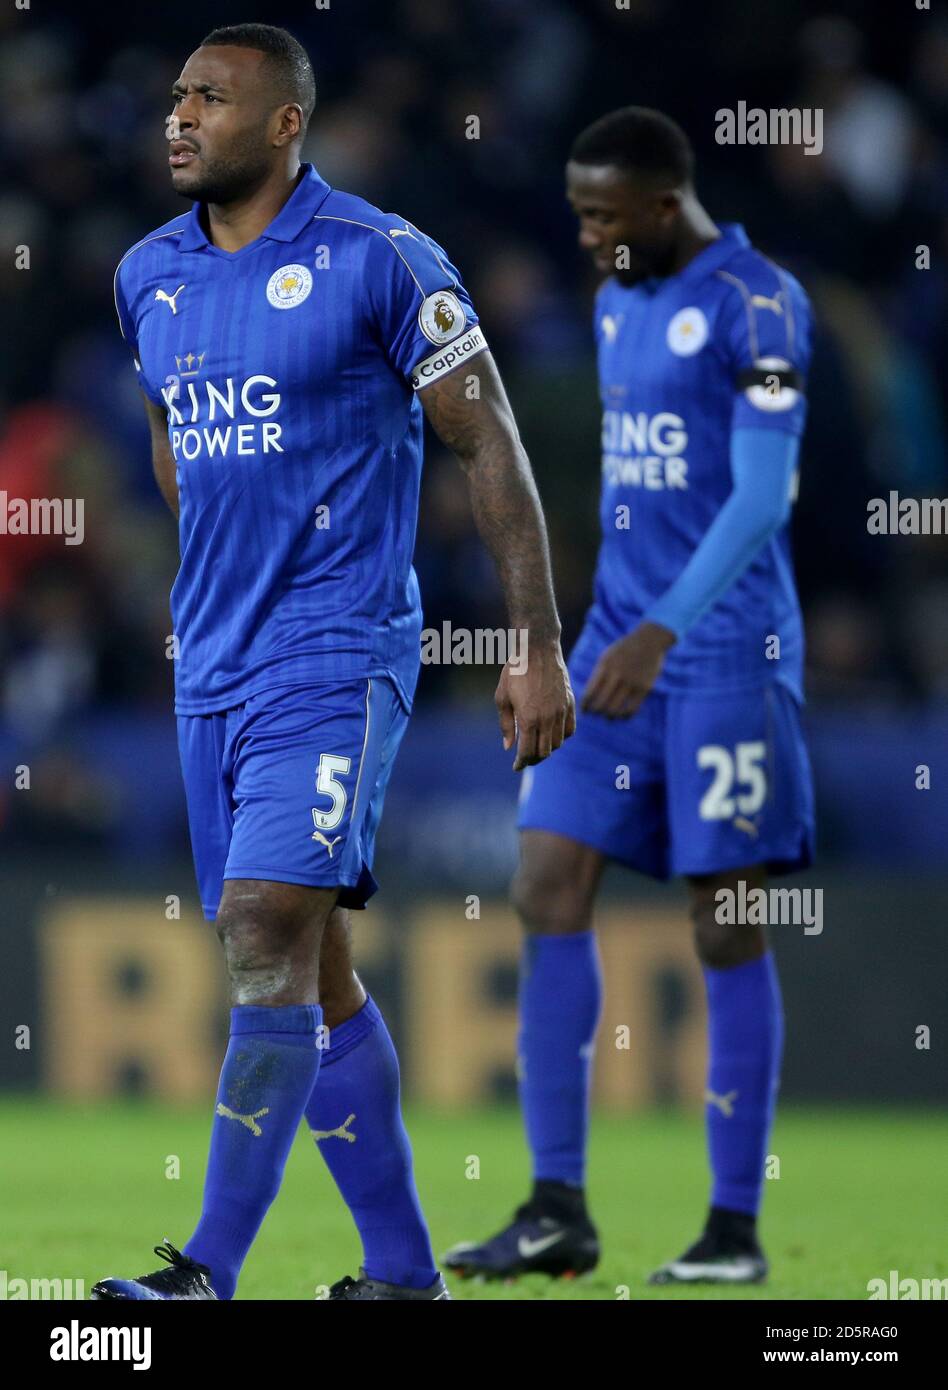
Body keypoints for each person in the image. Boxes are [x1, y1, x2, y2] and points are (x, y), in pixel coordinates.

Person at [93, 22, 573, 1303]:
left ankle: (206, 1270)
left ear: (287, 122)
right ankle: (406, 1273)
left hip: (339, 646)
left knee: (262, 926)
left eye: (212, 97)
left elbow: (490, 445)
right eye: (176, 95)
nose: (180, 117)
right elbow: (168, 438)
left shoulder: (382, 259)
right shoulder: (148, 275)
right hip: (215, 665)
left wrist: (535, 644)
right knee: (310, 966)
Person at [444, 106, 814, 1287]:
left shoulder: (761, 303)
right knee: (545, 881)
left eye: (607, 216)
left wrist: (662, 628)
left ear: (666, 205)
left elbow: (760, 498)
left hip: (721, 653)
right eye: (578, 214)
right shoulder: (616, 300)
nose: (590, 235)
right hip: (618, 643)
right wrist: (588, 627)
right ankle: (557, 1207)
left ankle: (734, 1230)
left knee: (724, 917)